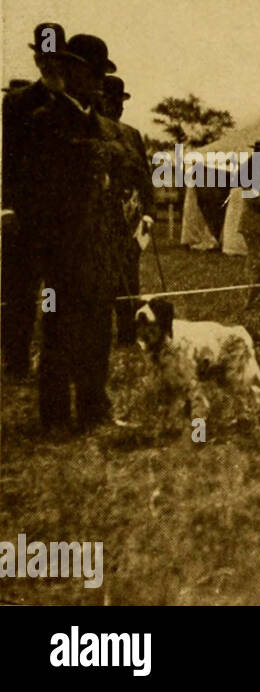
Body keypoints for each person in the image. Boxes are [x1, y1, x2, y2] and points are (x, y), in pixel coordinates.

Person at [26, 34, 131, 431]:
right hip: (60, 251)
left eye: (101, 75)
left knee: (97, 331)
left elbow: (121, 171)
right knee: (58, 331)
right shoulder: (45, 122)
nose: (98, 83)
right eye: (93, 74)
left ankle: (93, 409)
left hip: (98, 247)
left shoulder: (101, 124)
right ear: (71, 72)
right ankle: (54, 417)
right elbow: (36, 189)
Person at [3, 23, 69, 377]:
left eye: (56, 58)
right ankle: (16, 361)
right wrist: (7, 206)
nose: (50, 65)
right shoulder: (16, 103)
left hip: (65, 217)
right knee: (20, 291)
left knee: (56, 292)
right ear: (36, 59)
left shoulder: (79, 100)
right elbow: (9, 159)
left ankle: (52, 356)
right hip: (26, 215)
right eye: (44, 59)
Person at [99, 74, 156, 345]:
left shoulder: (131, 135)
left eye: (121, 102)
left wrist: (148, 214)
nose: (119, 107)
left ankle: (127, 333)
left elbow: (145, 178)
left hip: (128, 220)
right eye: (113, 101)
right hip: (96, 219)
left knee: (128, 279)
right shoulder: (89, 130)